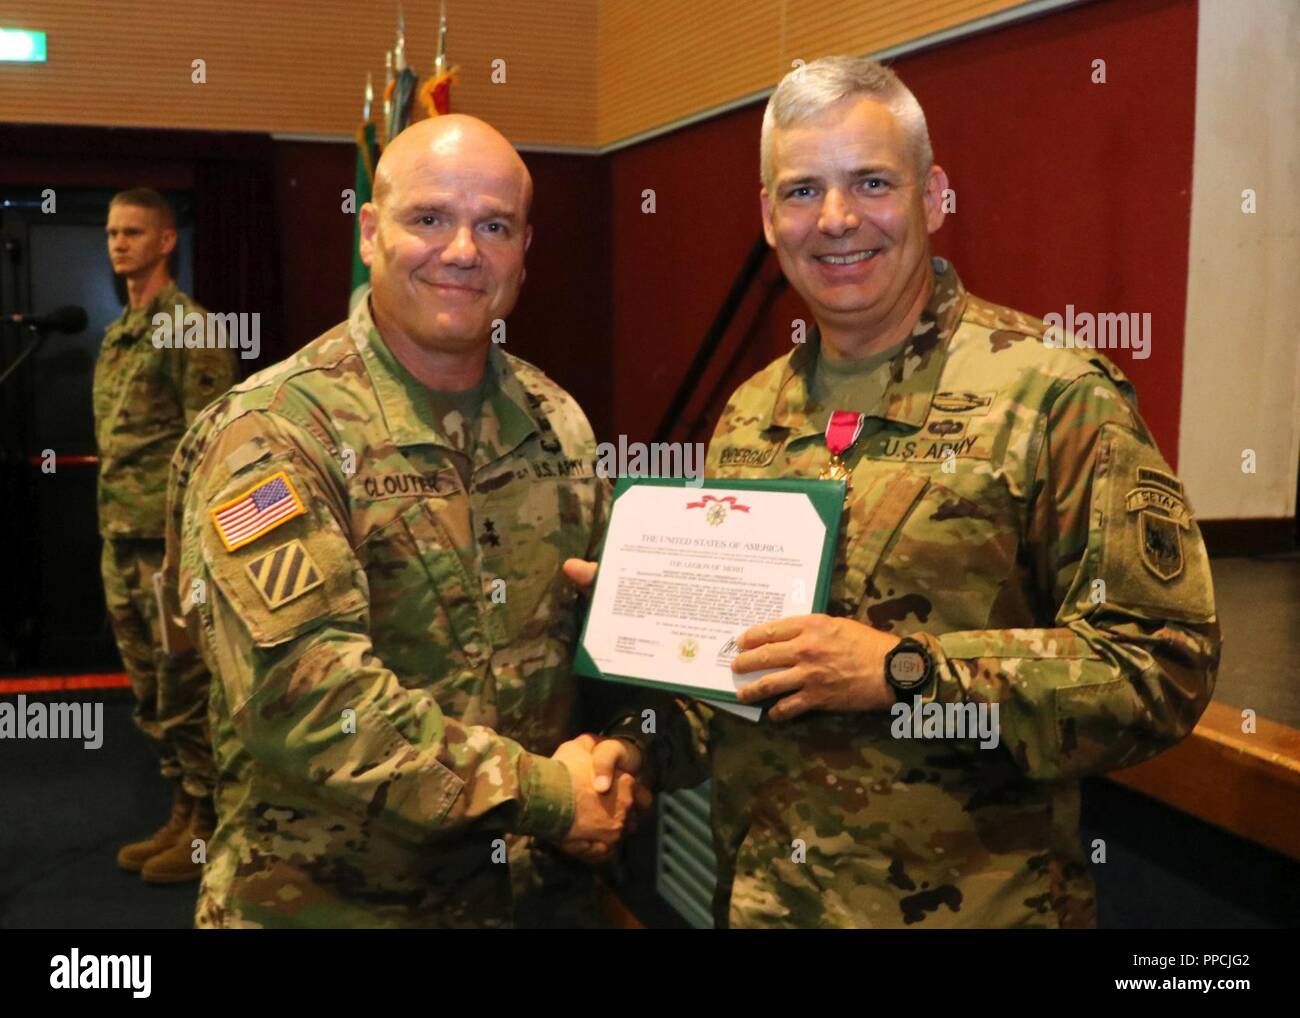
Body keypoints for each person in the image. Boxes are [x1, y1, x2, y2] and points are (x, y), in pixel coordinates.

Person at [599, 55, 1219, 928]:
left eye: (871, 182)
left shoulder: (1054, 397)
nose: (838, 219)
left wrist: (904, 673)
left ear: (932, 198)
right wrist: (640, 726)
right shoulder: (750, 414)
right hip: (761, 906)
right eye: (803, 190)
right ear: (769, 219)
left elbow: (1160, 668)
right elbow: (738, 682)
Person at [179, 115, 642, 928]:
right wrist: (546, 794)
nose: (462, 250)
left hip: (532, 901)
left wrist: (619, 757)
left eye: (494, 226)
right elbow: (308, 700)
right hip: (332, 906)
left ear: (524, 250)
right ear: (369, 232)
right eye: (429, 218)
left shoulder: (555, 420)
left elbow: (608, 640)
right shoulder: (275, 431)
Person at [97, 188, 237, 882]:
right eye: (112, 233)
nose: (119, 244)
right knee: (150, 691)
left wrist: (190, 555)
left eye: (133, 232)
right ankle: (183, 810)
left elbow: (209, 444)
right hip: (120, 538)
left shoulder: (193, 329)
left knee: (187, 688)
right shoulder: (121, 331)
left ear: (166, 241)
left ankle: (210, 827)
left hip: (168, 546)